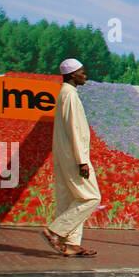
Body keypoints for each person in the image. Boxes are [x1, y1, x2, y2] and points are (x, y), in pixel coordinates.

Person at [42, 59, 101, 258]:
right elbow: (75, 130)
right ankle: (55, 231)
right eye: (81, 72)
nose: (85, 75)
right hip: (74, 157)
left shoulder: (67, 94)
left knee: (72, 200)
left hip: (67, 156)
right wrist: (82, 160)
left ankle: (72, 245)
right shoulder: (69, 96)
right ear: (71, 75)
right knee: (92, 197)